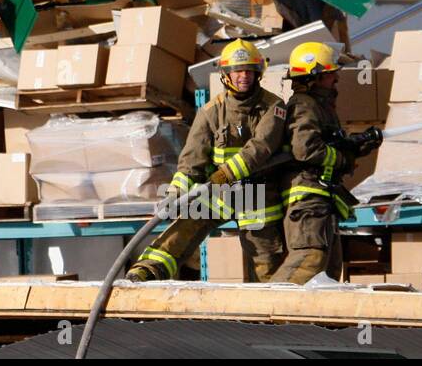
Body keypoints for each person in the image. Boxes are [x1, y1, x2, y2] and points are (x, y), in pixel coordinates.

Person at [126, 39, 289, 282]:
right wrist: (175, 194)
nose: (243, 75)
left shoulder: (273, 107)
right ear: (226, 75)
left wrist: (221, 176)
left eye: (248, 70)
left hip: (258, 195)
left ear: (258, 73)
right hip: (219, 193)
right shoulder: (211, 112)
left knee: (266, 261)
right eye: (237, 70)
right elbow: (192, 161)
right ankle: (145, 273)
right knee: (184, 227)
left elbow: (260, 149)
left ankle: (273, 313)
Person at [268, 41, 380, 284]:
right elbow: (306, 149)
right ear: (314, 77)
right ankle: (270, 308)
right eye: (331, 75)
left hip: (321, 198)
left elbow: (326, 145)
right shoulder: (303, 105)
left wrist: (354, 147)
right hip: (307, 198)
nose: (336, 80)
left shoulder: (321, 106)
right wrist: (342, 157)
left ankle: (316, 322)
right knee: (309, 258)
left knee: (328, 271)